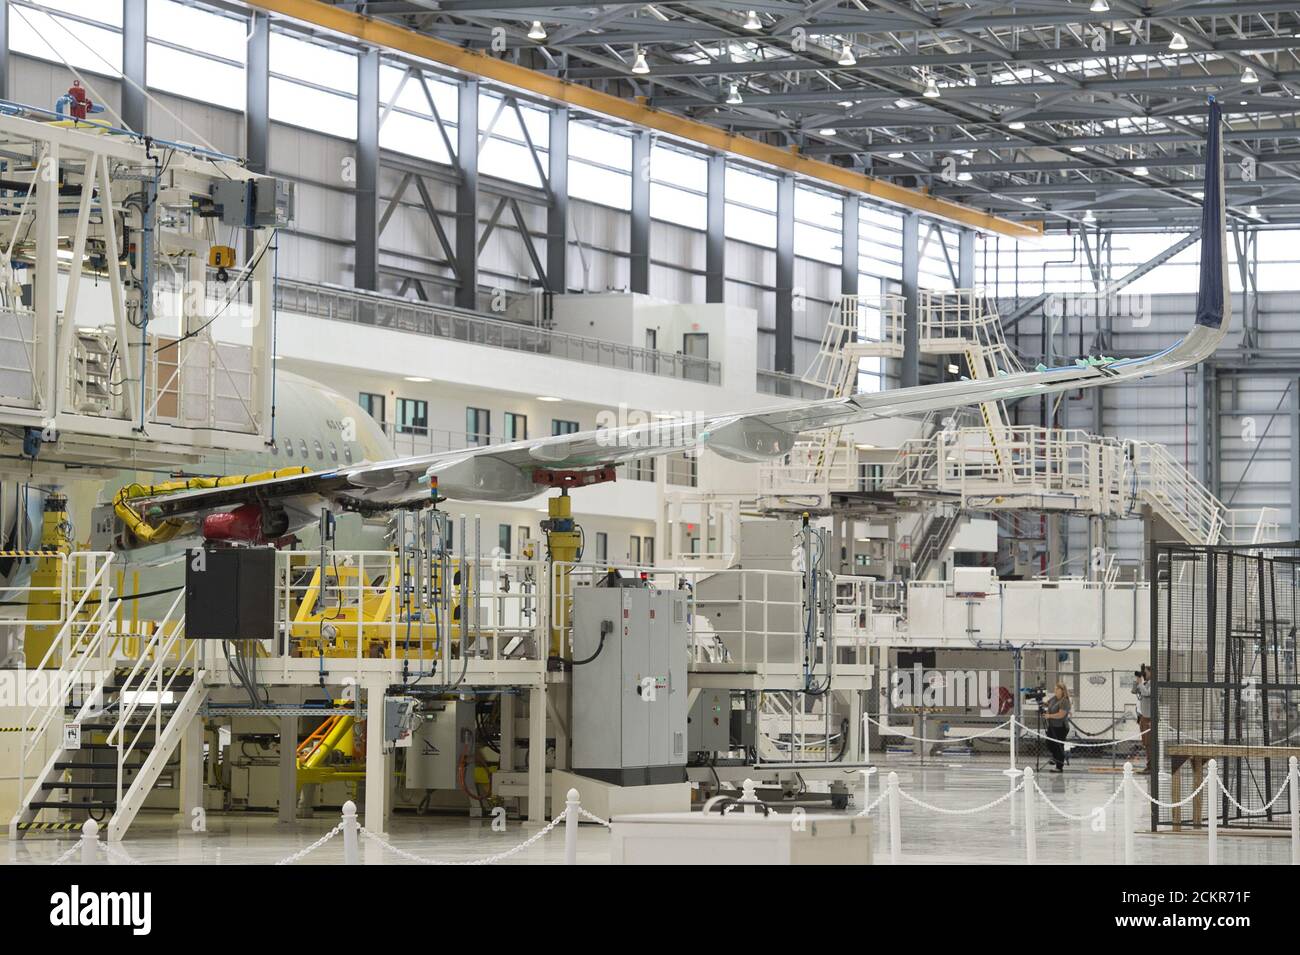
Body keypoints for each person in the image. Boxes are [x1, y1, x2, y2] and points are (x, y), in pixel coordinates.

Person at [1042, 682, 1072, 772]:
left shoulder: (1065, 701)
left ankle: (1059, 766)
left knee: (1059, 746)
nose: (1055, 691)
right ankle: (1055, 758)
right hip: (1052, 726)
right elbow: (1047, 704)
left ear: (1062, 691)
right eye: (1055, 689)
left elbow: (1061, 714)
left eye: (1057, 689)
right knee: (1049, 743)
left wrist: (1050, 716)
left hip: (1061, 727)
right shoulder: (1054, 698)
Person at [1132, 665, 1153, 774]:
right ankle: (1149, 765)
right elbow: (1134, 691)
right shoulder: (1144, 683)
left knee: (1150, 742)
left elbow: (1146, 693)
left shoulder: (1154, 683)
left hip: (1150, 718)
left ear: (1151, 672)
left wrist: (1140, 683)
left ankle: (1151, 767)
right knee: (1145, 742)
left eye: (1145, 672)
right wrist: (1137, 681)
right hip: (1143, 716)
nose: (1144, 674)